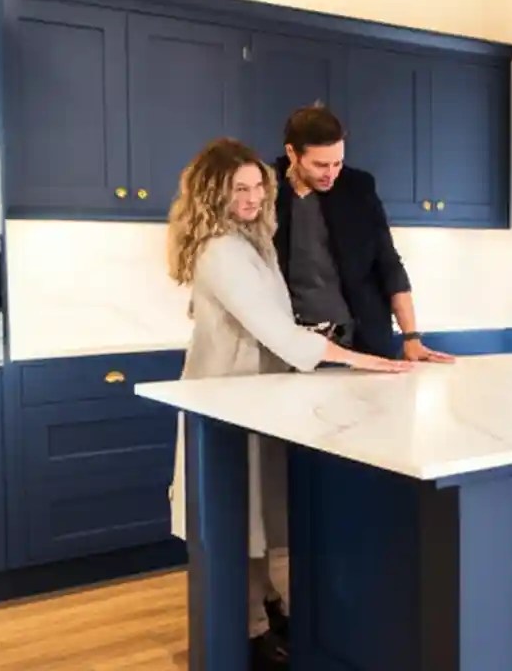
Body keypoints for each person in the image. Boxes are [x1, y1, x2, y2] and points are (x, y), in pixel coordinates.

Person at [165, 137, 416, 670]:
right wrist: (356, 358)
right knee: (241, 520)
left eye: (259, 186)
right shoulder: (220, 250)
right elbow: (274, 330)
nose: (255, 198)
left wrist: (323, 342)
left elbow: (276, 323)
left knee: (259, 515)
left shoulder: (252, 241)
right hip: (227, 400)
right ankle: (253, 631)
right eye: (241, 189)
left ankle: (267, 617)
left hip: (256, 395)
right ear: (214, 193)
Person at [271, 103, 454, 364]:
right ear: (292, 153)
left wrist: (411, 337)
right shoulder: (266, 190)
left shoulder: (357, 189)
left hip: (362, 341)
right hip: (293, 348)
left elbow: (388, 264)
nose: (331, 174)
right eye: (321, 165)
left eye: (338, 163)